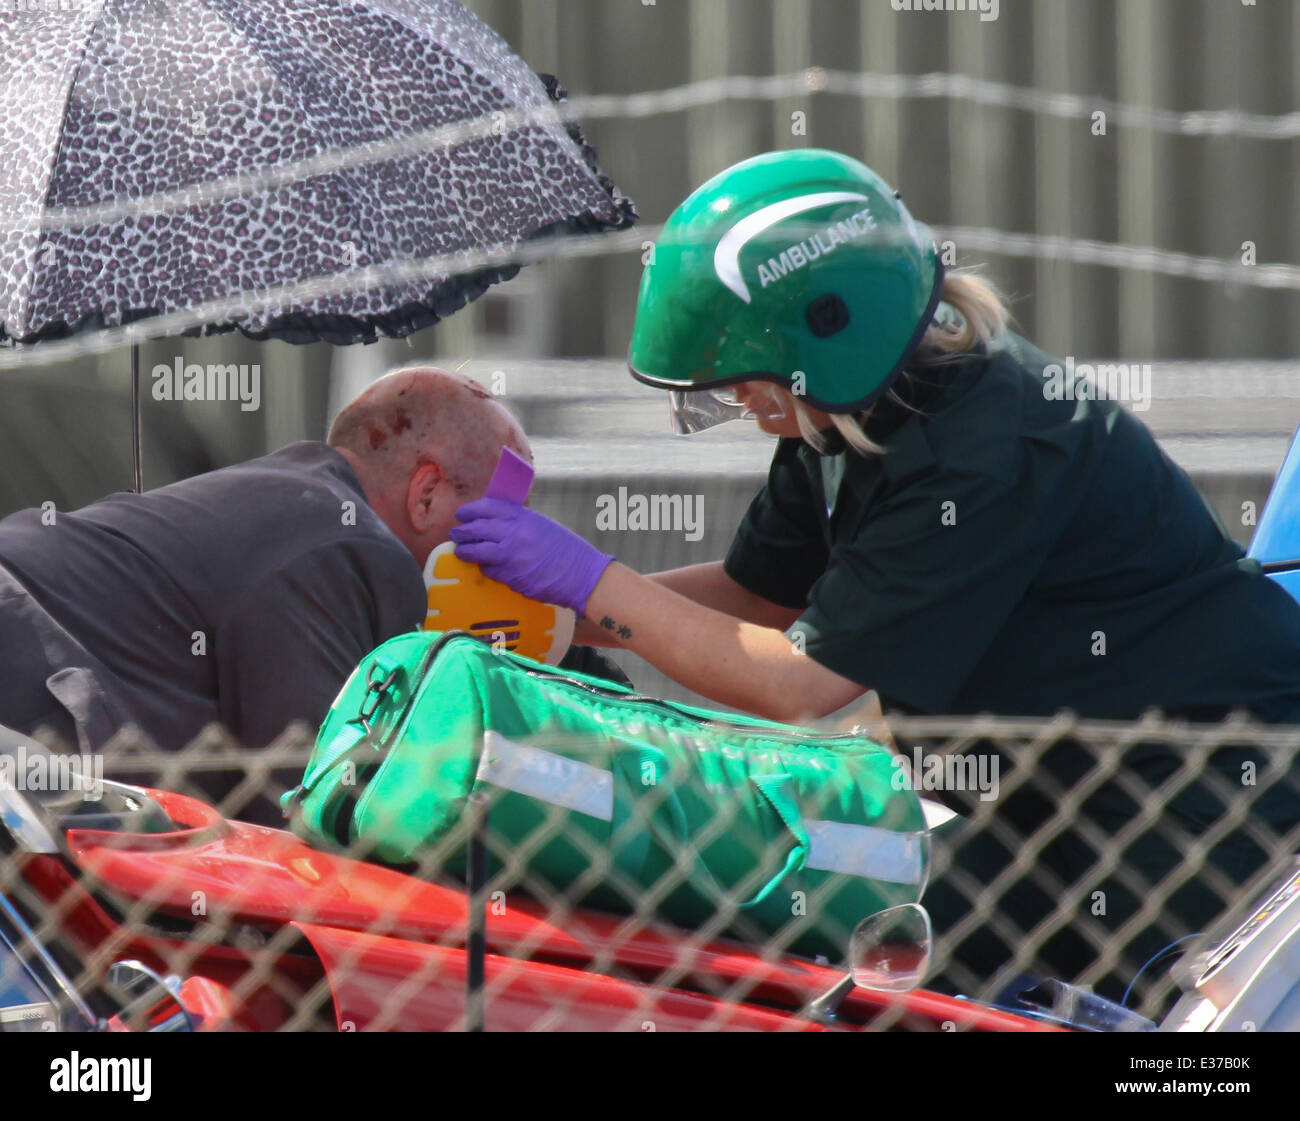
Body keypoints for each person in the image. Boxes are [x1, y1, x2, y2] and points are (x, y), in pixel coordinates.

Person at [450, 149, 1300, 999]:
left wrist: (591, 578)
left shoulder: (986, 450)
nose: (741, 405)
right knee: (885, 981)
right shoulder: (837, 418)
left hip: (1203, 789)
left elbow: (802, 681)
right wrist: (559, 613)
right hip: (1043, 795)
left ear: (827, 330)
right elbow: (759, 597)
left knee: (1145, 1030)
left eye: (745, 382)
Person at [0, 365, 621, 823]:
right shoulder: (348, 547)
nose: (511, 553)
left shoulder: (306, 501)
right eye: (503, 518)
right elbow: (311, 806)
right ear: (426, 494)